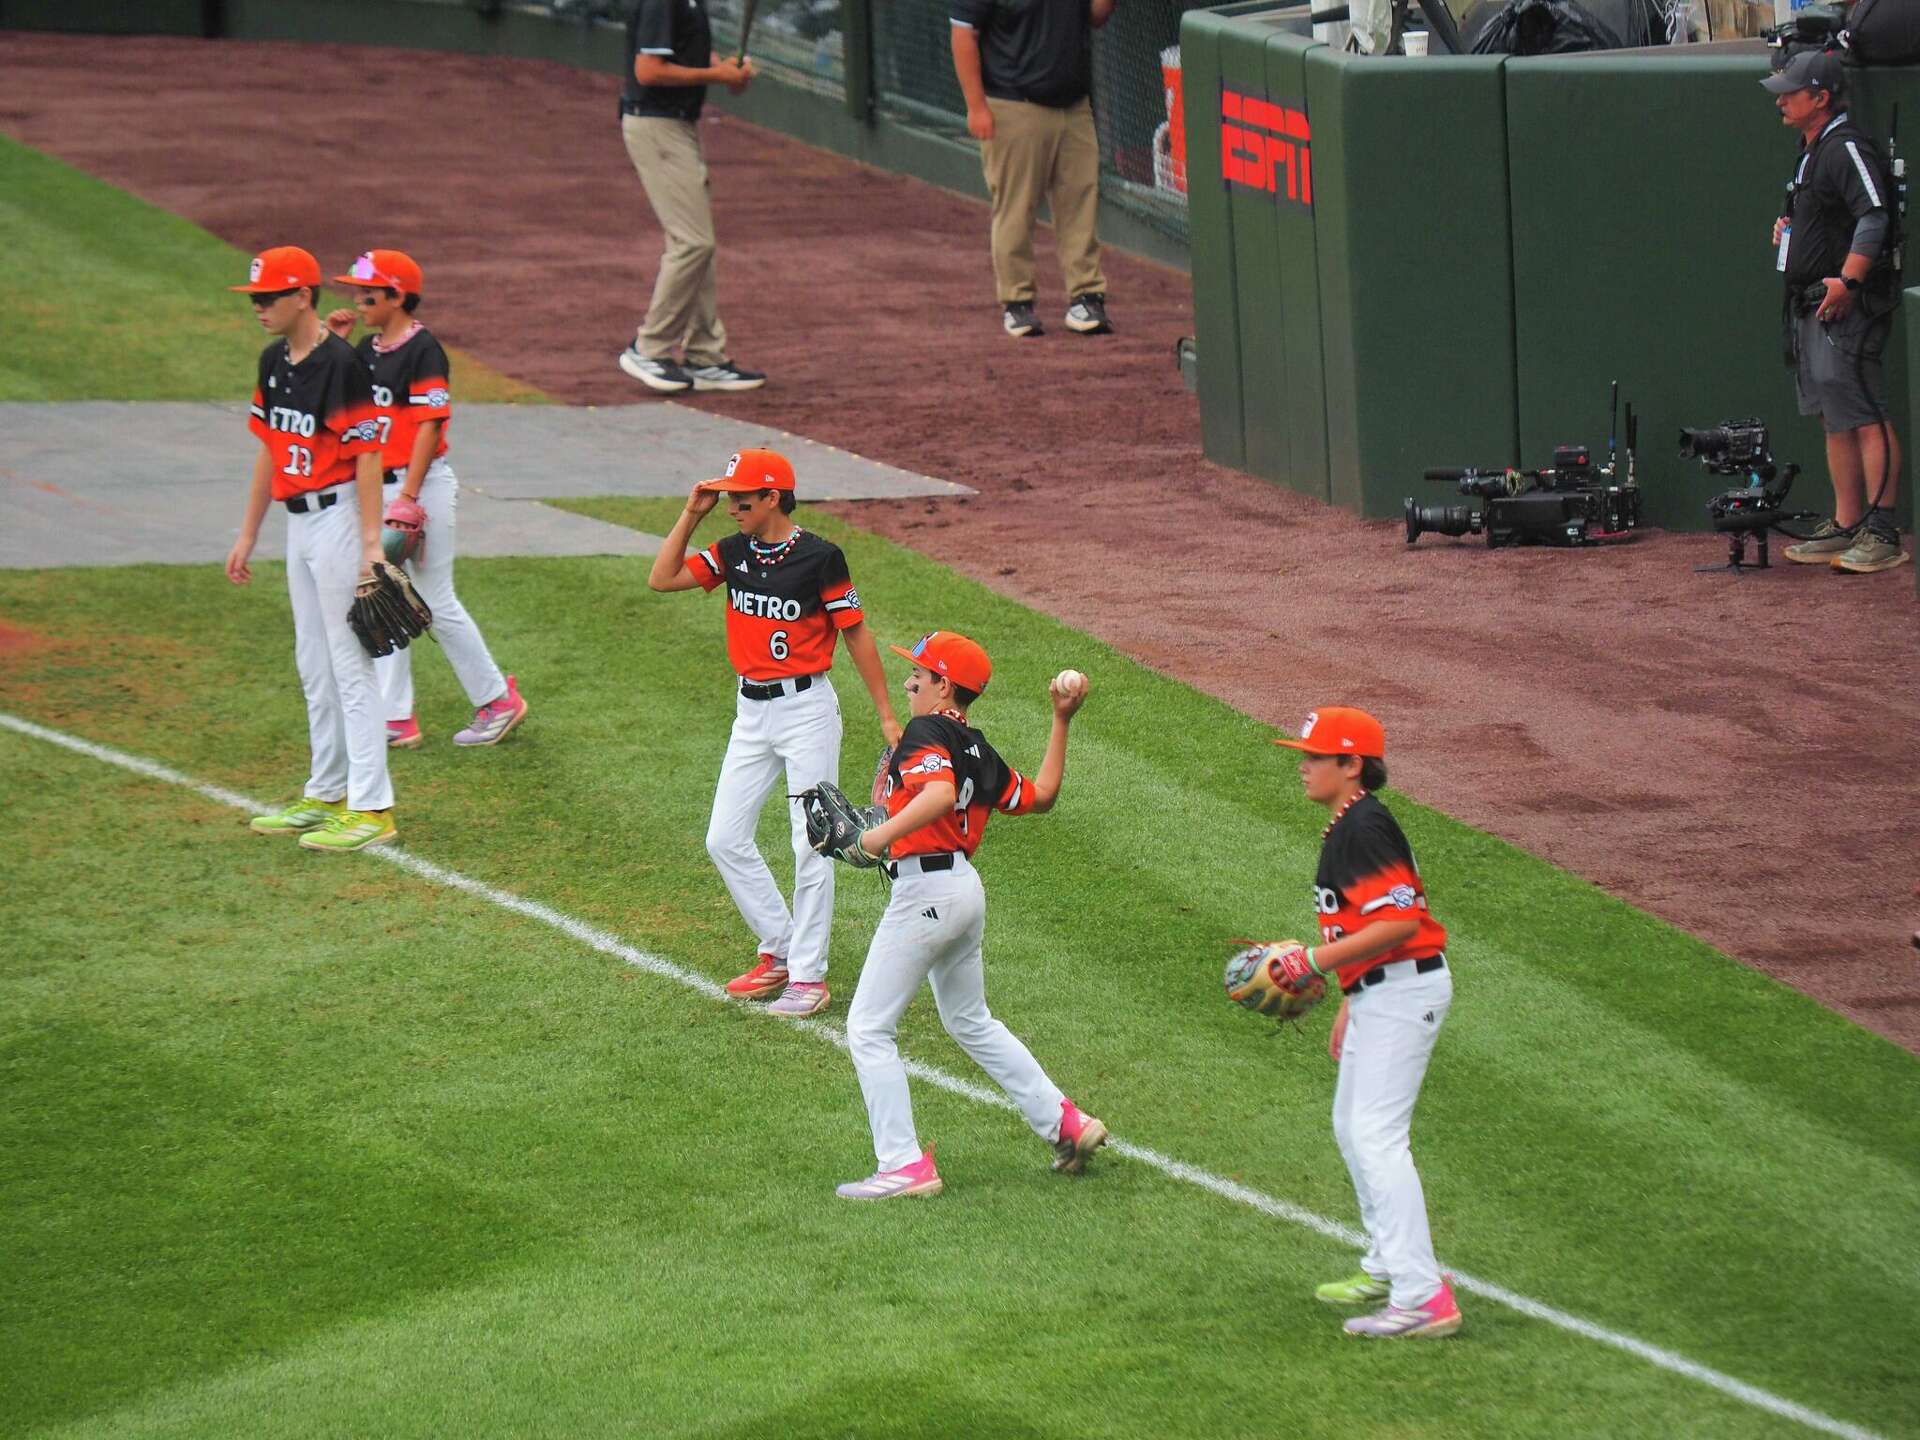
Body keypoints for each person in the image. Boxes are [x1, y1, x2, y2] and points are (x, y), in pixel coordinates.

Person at [835, 633, 1107, 1200]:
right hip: (962, 890)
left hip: (927, 896)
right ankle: (1066, 1124)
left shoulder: (926, 732)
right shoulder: (977, 747)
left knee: (867, 1028)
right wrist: (1062, 719)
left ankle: (904, 1165)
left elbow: (934, 796)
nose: (909, 683)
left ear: (945, 688)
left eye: (920, 675)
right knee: (969, 1019)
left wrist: (873, 840)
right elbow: (1043, 794)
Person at [647, 449, 901, 1016]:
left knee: (811, 842)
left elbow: (855, 635)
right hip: (751, 712)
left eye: (742, 497)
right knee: (723, 837)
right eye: (728, 496)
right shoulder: (733, 551)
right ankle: (781, 948)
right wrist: (690, 515)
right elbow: (661, 579)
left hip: (806, 710)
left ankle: (809, 978)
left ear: (772, 498)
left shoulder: (820, 558)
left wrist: (885, 713)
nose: (731, 505)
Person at [1271, 707, 1459, 1339]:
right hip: (1382, 991)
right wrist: (1352, 998)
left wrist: (1312, 962)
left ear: (1352, 765)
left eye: (1314, 757)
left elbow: (1402, 923)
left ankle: (1422, 1297)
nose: (1302, 766)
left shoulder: (1366, 826)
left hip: (1407, 990)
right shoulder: (1349, 824)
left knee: (1377, 1135)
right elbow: (1366, 925)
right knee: (1354, 1129)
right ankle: (1388, 1264)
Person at [224, 246, 398, 853]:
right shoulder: (273, 361)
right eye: (254, 299)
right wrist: (249, 532)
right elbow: (269, 448)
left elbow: (369, 454)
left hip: (340, 519)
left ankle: (373, 808)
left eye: (268, 297)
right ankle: (325, 793)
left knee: (350, 664)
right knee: (312, 663)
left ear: (303, 296)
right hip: (298, 525)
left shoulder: (342, 367)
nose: (259, 308)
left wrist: (371, 546)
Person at [323, 250, 528, 749]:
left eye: (366, 291)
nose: (357, 298)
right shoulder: (369, 350)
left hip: (421, 485)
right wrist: (336, 343)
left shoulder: (423, 350)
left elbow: (430, 426)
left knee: (435, 599)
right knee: (380, 595)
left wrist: (409, 496)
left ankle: (499, 700)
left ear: (396, 295)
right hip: (381, 486)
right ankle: (396, 718)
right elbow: (335, 402)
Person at [1764, 50, 1911, 574]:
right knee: (1835, 418)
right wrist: (1789, 230)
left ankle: (1882, 532)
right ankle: (1847, 523)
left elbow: (1875, 216)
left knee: (1864, 414)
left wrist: (1849, 281)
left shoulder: (1845, 148)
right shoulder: (1811, 151)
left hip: (1848, 304)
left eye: (1790, 91)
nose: (1780, 99)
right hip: (1812, 305)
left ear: (1820, 98)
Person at [615, 0, 766, 395]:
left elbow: (693, 54)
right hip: (656, 127)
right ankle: (648, 348)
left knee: (698, 242)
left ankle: (704, 354)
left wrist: (725, 71)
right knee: (693, 242)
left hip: (676, 128)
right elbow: (648, 70)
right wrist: (715, 74)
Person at [950, 0, 1117, 339]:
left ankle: (1087, 296)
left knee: (1080, 202)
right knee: (1016, 207)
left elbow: (1095, 15)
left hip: (1073, 105)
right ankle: (1017, 303)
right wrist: (976, 106)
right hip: (1013, 105)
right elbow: (963, 34)